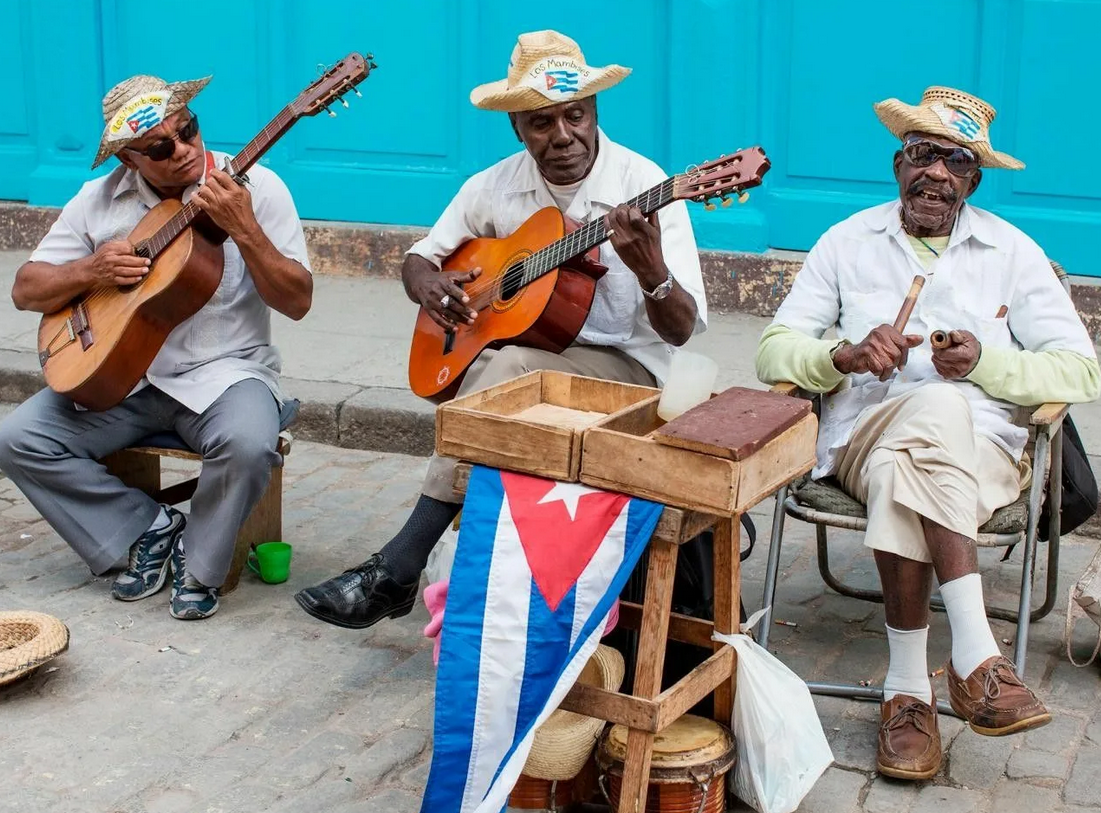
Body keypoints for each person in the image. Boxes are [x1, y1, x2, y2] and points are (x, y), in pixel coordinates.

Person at [295, 30, 707, 629]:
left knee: (504, 369)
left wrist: (652, 271)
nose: (562, 136)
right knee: (501, 368)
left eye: (575, 116)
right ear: (517, 126)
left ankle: (400, 566)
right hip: (534, 362)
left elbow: (683, 331)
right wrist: (429, 287)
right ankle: (463, 584)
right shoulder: (493, 186)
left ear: (594, 112)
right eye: (541, 123)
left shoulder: (646, 187)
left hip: (633, 374)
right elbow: (419, 257)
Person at [756, 86, 1100, 779]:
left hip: (981, 456)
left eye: (955, 161)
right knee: (932, 414)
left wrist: (986, 361)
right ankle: (976, 657)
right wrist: (840, 356)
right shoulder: (846, 242)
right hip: (860, 438)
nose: (935, 173)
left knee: (916, 447)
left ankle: (907, 689)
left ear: (973, 179)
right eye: (922, 154)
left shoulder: (1011, 251)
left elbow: (1081, 370)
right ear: (897, 164)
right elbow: (770, 350)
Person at [0, 73, 313, 620]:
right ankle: (147, 527)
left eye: (188, 131)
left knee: (248, 443)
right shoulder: (96, 202)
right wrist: (91, 268)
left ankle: (200, 566)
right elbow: (26, 289)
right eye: (161, 148)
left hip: (227, 373)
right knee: (17, 437)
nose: (185, 151)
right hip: (126, 380)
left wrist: (246, 230)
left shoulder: (260, 188)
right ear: (128, 160)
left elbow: (298, 301)